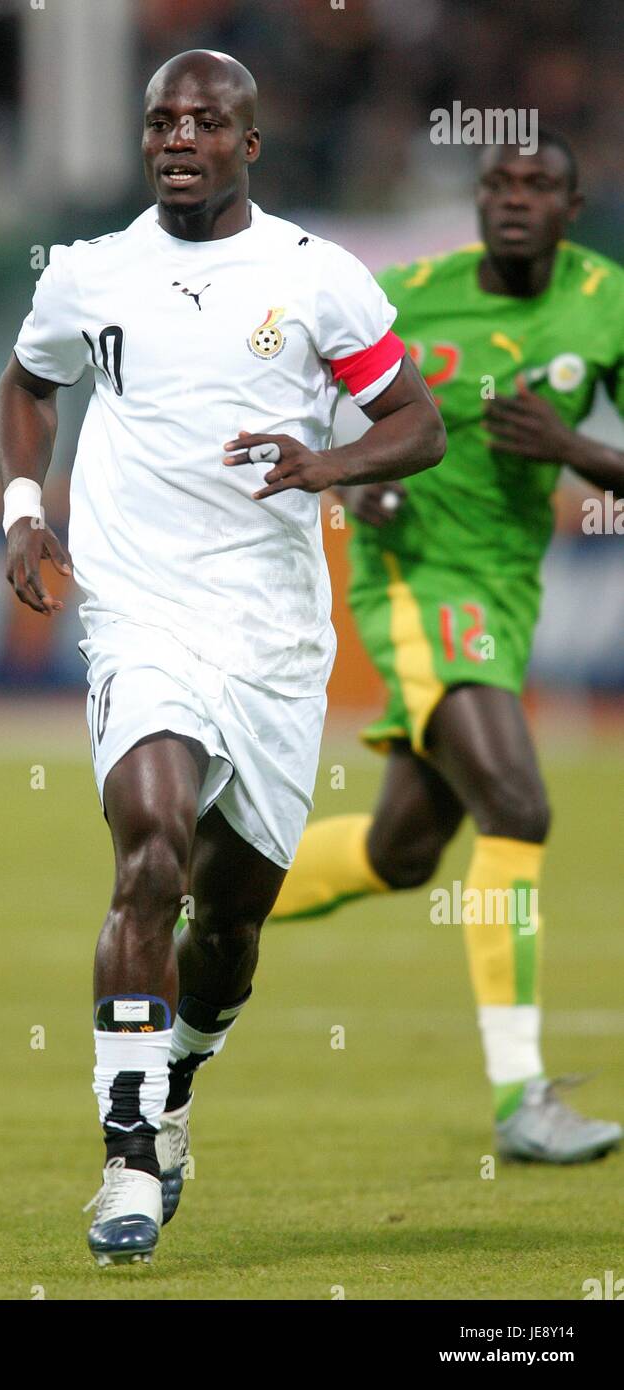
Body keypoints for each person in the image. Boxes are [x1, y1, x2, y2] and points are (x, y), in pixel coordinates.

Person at [0, 49, 444, 1266]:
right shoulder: (91, 274)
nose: (178, 135)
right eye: (160, 120)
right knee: (148, 849)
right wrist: (25, 508)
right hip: (140, 614)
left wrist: (325, 464)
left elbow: (416, 422)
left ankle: (181, 1074)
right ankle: (127, 1157)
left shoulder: (315, 280)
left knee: (230, 921)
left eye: (206, 119)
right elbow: (27, 386)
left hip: (274, 639)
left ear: (251, 142)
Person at [271, 134, 624, 1165]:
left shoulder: (603, 300)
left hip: (506, 590)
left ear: (571, 205)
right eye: (497, 184)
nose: (513, 201)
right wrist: (351, 476)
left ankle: (202, 901)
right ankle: (519, 1097)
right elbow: (308, 395)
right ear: (476, 200)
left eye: (537, 187)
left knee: (400, 853)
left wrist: (572, 451)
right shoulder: (402, 292)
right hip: (412, 577)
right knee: (515, 803)